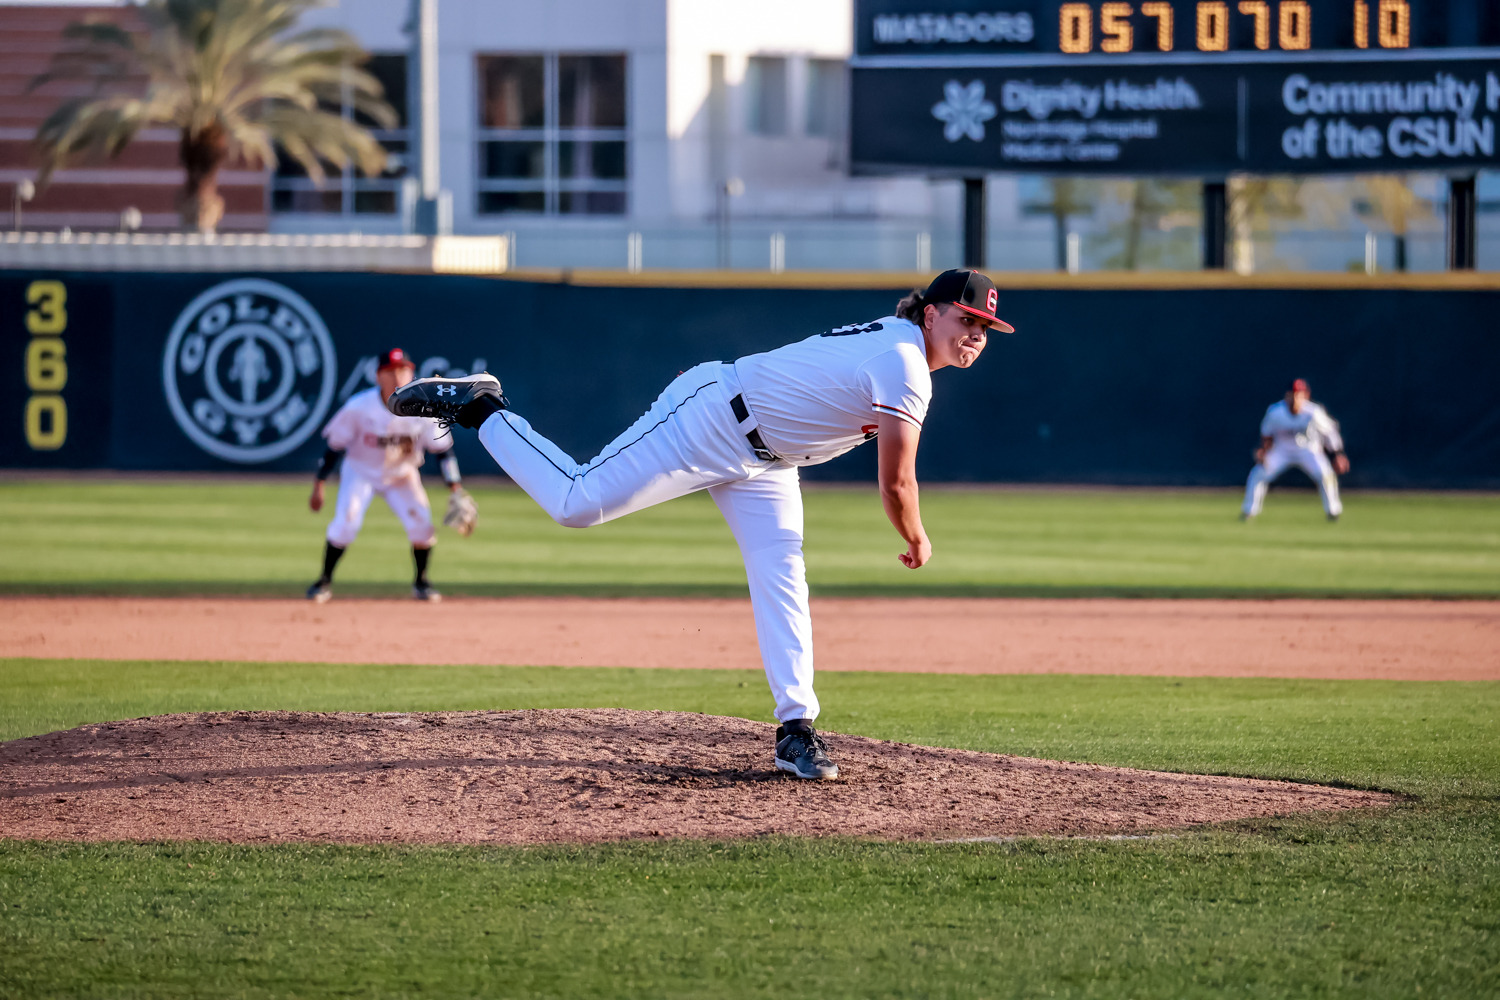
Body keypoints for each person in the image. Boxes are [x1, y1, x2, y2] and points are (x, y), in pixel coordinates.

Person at [386, 269, 1013, 779]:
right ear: (929, 313)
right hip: (712, 418)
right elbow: (897, 483)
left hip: (768, 461)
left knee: (782, 575)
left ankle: (796, 730)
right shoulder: (904, 362)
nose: (976, 334)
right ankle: (481, 409)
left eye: (986, 326)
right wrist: (916, 535)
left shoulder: (900, 348)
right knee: (577, 502)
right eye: (966, 319)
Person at [306, 348, 465, 602]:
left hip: (402, 474)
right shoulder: (358, 408)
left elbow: (444, 452)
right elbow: (334, 447)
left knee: (423, 526)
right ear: (378, 376)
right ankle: (323, 581)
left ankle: (422, 582)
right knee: (346, 524)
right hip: (361, 471)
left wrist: (455, 488)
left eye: (403, 369)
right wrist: (319, 484)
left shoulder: (424, 408)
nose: (398, 376)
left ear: (412, 373)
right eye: (390, 371)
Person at [1241, 378, 1349, 522]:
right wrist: (1263, 451)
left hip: (1308, 451)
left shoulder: (1313, 412)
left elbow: (1329, 432)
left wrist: (1337, 454)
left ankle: (1333, 512)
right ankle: (1249, 511)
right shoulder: (1275, 412)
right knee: (1258, 473)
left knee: (1325, 474)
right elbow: (1267, 435)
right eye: (1291, 394)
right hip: (1282, 451)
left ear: (1305, 396)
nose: (1294, 398)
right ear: (1286, 395)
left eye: (1298, 394)